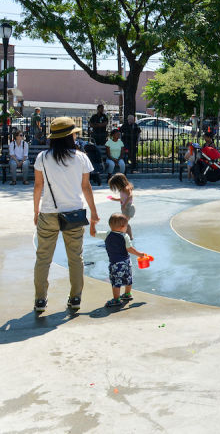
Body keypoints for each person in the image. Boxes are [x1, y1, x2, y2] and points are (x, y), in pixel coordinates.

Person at [32, 117, 99, 313]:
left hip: (48, 213)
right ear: (71, 136)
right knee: (75, 258)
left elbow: (38, 186)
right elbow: (86, 187)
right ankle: (75, 297)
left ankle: (40, 300)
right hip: (74, 213)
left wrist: (35, 211)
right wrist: (94, 213)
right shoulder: (81, 157)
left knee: (43, 258)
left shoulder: (43, 157)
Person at [90, 213, 147, 308]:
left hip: (115, 263)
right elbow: (130, 249)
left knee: (116, 281)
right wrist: (140, 254)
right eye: (126, 226)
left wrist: (92, 223)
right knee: (128, 278)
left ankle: (116, 300)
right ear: (122, 227)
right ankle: (127, 294)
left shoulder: (107, 234)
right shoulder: (125, 236)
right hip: (126, 261)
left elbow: (92, 233)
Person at [108, 173, 135, 239]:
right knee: (124, 222)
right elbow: (123, 199)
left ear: (119, 183)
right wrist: (114, 199)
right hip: (126, 207)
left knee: (124, 223)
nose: (116, 187)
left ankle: (130, 237)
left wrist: (124, 204)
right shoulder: (123, 189)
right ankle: (126, 236)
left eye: (116, 185)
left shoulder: (126, 188)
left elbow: (130, 196)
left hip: (128, 207)